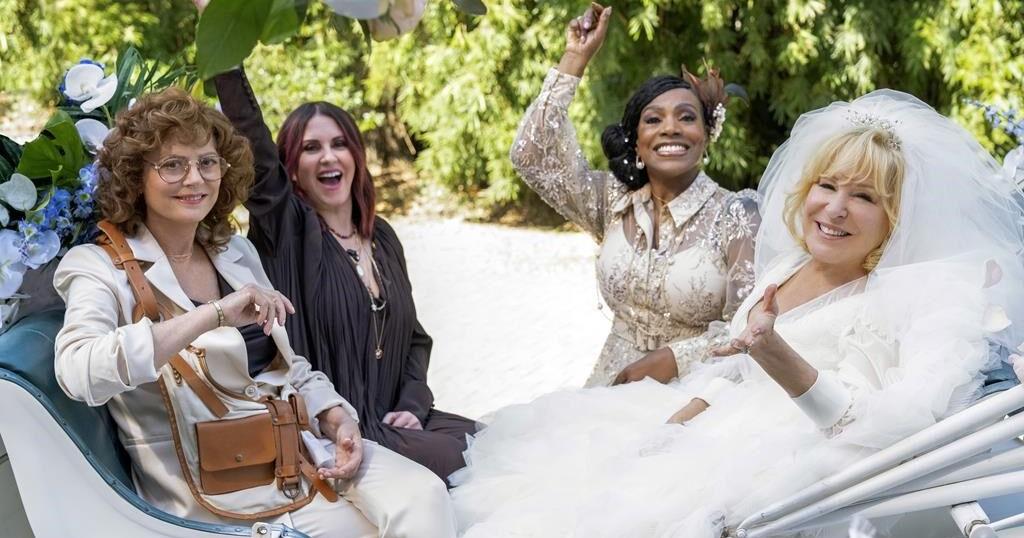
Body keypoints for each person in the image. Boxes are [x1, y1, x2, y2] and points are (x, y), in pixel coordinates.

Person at [449, 90, 1024, 537]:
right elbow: (733, 369)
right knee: (558, 471)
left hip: (785, 463)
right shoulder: (786, 268)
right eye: (827, 185)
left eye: (866, 197)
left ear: (895, 218)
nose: (836, 208)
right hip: (715, 417)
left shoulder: (892, 300)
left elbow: (869, 426)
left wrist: (776, 352)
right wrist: (682, 417)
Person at [53, 88, 456, 537]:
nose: (195, 179)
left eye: (207, 162)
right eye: (173, 164)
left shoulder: (234, 252)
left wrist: (335, 416)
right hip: (214, 489)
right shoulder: (97, 266)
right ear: (134, 176)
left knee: (426, 496)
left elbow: (290, 365)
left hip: (297, 451)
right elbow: (79, 371)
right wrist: (213, 315)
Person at [205, 40, 477, 484]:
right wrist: (222, 37)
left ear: (356, 157)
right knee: (468, 467)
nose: (328, 157)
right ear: (291, 168)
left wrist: (412, 404)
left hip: (400, 422)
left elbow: (413, 341)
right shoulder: (287, 231)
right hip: (335, 433)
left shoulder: (382, 237)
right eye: (311, 148)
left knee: (500, 446)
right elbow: (249, 135)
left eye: (339, 144)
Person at [511, 3, 759, 387]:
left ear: (707, 136)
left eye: (687, 117)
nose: (671, 128)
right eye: (654, 119)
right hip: (608, 391)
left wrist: (675, 358)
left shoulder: (738, 213)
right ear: (637, 144)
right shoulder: (612, 200)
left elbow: (752, 328)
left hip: (700, 398)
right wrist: (575, 57)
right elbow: (531, 154)